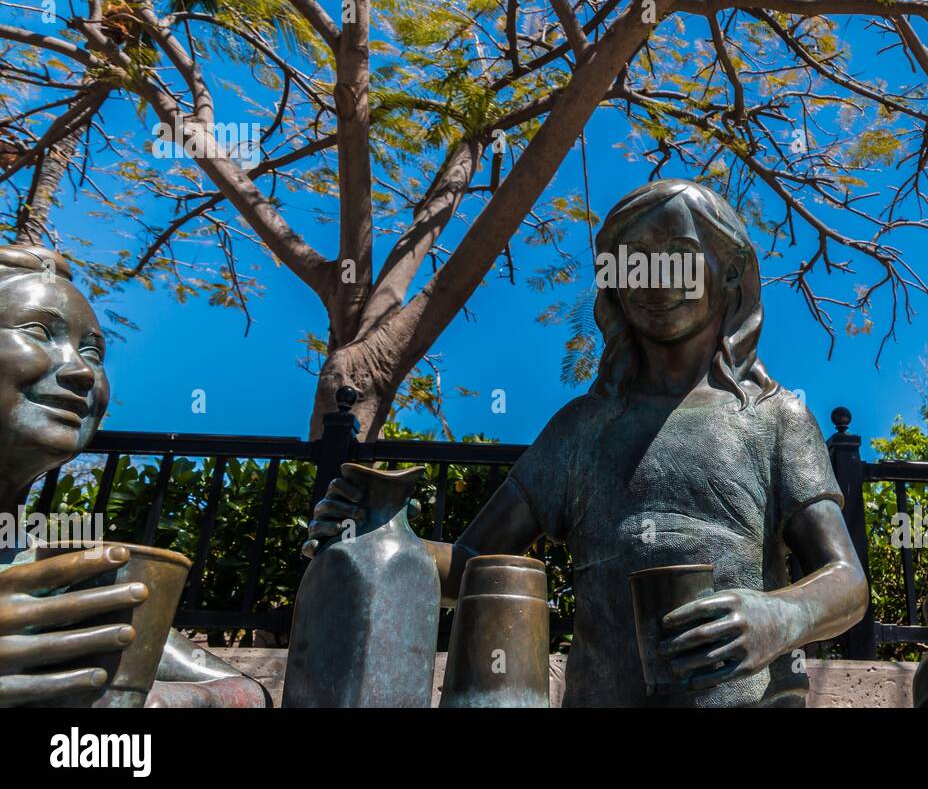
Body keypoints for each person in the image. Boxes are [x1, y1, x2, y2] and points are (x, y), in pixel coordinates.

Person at [307, 180, 867, 706]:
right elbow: (472, 565)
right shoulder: (581, 429)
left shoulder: (775, 419)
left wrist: (779, 616)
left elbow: (847, 583)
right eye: (633, 262)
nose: (654, 278)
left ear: (732, 270)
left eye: (677, 253)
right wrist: (378, 541)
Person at [0, 244, 266, 707]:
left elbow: (249, 693)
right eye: (39, 331)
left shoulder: (70, 578)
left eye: (93, 352)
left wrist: (151, 703)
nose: (83, 370)